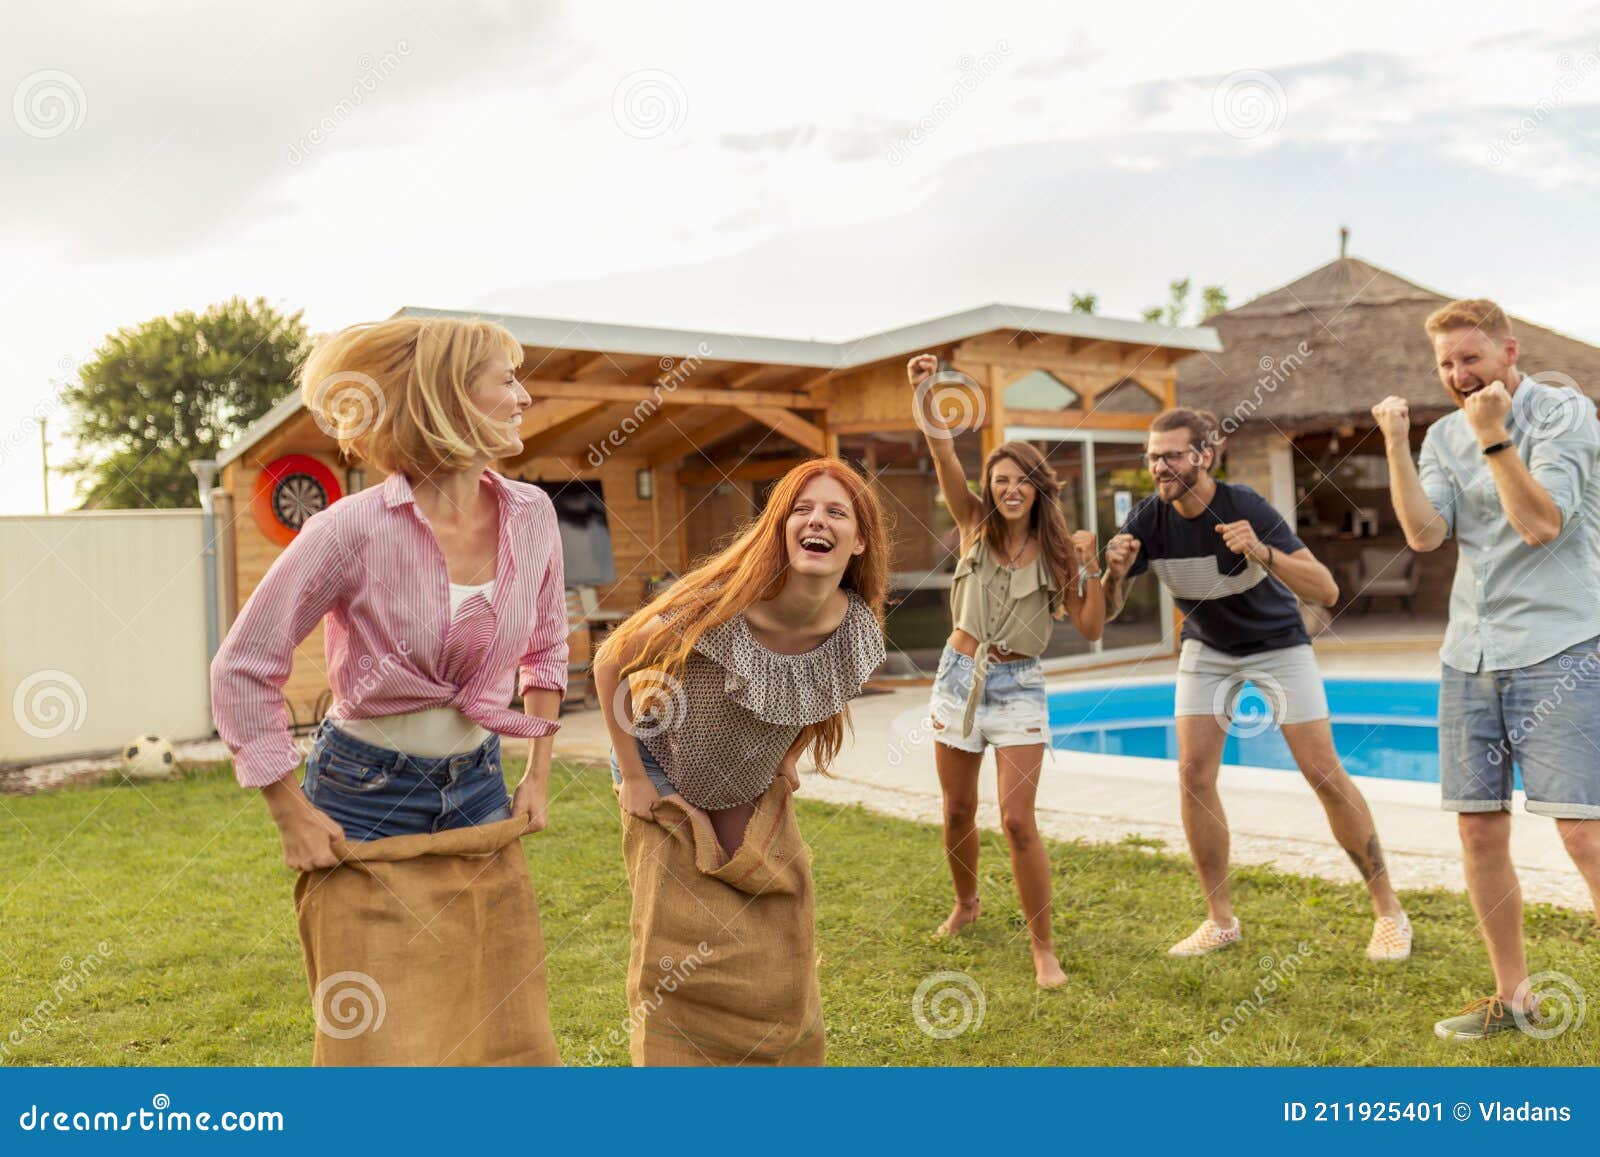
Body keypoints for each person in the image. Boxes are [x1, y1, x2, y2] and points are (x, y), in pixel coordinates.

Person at [212, 316, 568, 853]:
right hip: (362, 791)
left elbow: (547, 649)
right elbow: (242, 667)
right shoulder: (347, 529)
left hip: (479, 784)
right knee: (372, 943)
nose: (524, 397)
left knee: (483, 940)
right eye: (507, 380)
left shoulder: (532, 513)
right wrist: (289, 813)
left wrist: (537, 776)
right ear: (452, 399)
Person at [593, 457, 888, 1065]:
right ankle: (678, 1054)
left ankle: (766, 1049)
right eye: (802, 509)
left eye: (837, 512)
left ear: (859, 542)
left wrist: (788, 758)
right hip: (663, 757)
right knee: (678, 922)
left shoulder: (855, 631)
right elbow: (609, 662)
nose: (817, 520)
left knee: (754, 903)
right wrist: (636, 777)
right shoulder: (723, 602)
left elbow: (818, 695)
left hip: (740, 775)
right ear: (781, 527)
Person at [1102, 407, 1410, 962]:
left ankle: (1389, 910)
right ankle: (1220, 920)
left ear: (1204, 455)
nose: (1160, 467)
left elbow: (1326, 588)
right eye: (1153, 457)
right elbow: (1102, 612)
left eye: (1172, 455)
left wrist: (1262, 551)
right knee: (1194, 775)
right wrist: (1113, 574)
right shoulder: (1149, 518)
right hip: (1207, 647)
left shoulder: (1244, 504)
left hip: (1277, 643)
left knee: (1322, 771)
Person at [1372, 298, 1600, 1040]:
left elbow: (1540, 525)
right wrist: (1400, 447)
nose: (1458, 375)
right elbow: (1425, 532)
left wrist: (1494, 439)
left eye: (1470, 358)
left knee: (1584, 833)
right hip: (1470, 653)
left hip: (1560, 645)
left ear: (1508, 351)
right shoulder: (1441, 435)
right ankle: (1516, 998)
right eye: (1445, 363)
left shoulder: (1565, 414)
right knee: (1477, 830)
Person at [906, 354, 1105, 989]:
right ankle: (966, 902)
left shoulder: (1056, 549)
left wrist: (1092, 563)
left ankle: (1043, 947)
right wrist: (926, 392)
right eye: (999, 481)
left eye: (1020, 480)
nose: (1008, 489)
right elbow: (944, 458)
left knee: (1018, 820)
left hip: (1020, 684)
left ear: (1037, 487)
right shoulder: (971, 528)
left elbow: (1092, 626)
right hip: (959, 675)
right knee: (957, 809)